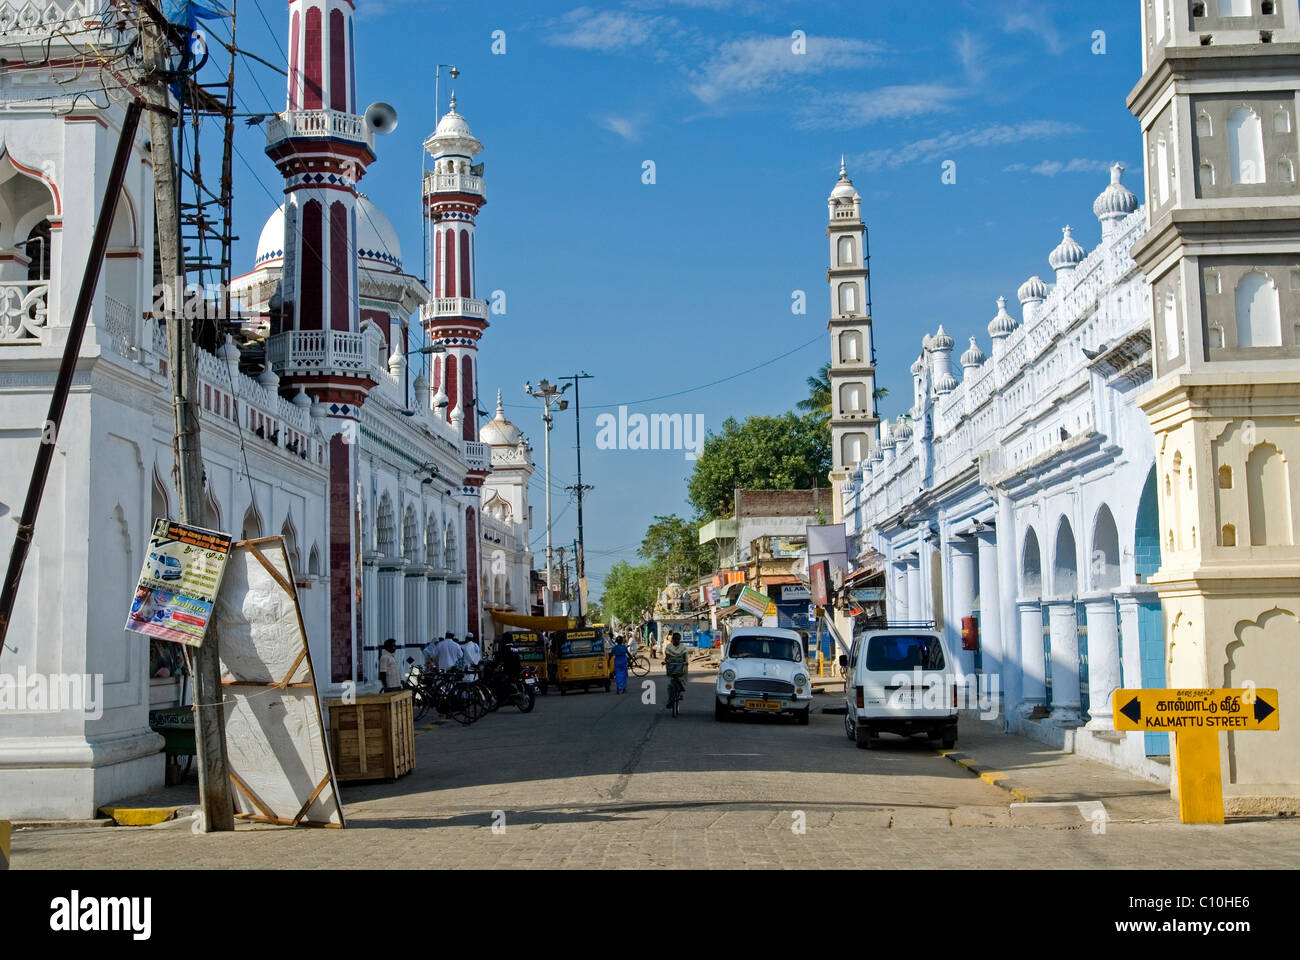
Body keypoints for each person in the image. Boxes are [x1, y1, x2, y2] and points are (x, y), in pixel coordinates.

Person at [663, 631, 689, 707]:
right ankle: (670, 700)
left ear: (680, 639)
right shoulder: (669, 647)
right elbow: (667, 657)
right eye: (675, 639)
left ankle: (680, 692)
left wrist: (685, 662)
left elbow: (684, 657)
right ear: (672, 639)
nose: (676, 640)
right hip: (671, 665)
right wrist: (666, 661)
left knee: (680, 679)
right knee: (670, 685)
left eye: (678, 639)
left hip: (680, 665)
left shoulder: (683, 647)